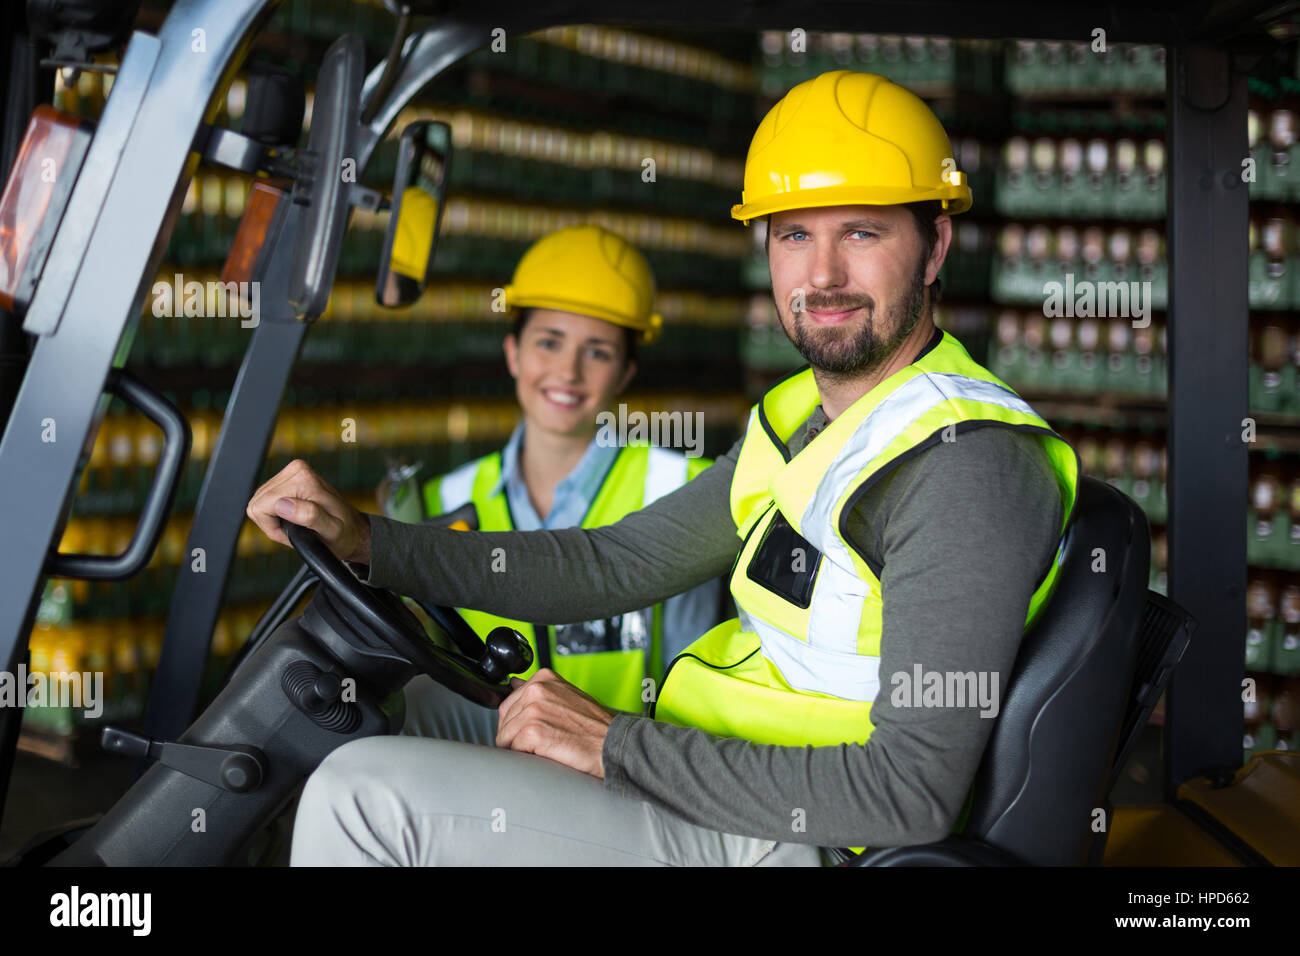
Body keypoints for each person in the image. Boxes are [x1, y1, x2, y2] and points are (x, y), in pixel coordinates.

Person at [247, 70, 1078, 866]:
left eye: (862, 232)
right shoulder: (801, 420)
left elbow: (908, 795)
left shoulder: (967, 465)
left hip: (802, 839)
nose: (823, 276)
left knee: (358, 796)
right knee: (398, 710)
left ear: (934, 249)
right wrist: (370, 542)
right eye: (795, 234)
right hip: (718, 777)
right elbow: (611, 562)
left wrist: (614, 743)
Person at [379, 223, 723, 714]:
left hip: (621, 776)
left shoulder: (685, 489)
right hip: (480, 776)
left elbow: (696, 688)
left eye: (598, 352)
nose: (568, 372)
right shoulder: (443, 503)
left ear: (625, 373)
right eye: (549, 342)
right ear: (513, 353)